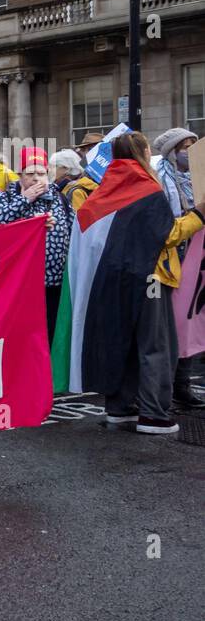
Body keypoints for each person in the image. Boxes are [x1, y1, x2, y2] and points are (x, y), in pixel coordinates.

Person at [84, 132, 205, 434]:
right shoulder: (146, 187)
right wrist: (200, 215)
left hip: (112, 276)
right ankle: (154, 414)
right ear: (142, 152)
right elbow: (167, 234)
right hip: (151, 275)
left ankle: (120, 407)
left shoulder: (105, 186)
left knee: (121, 341)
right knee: (157, 346)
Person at [0, 146, 72, 341]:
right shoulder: (5, 197)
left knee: (51, 334)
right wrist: (25, 202)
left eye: (41, 173)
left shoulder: (59, 199)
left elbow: (74, 227)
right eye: (30, 173)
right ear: (20, 176)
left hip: (55, 284)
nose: (36, 179)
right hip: (21, 284)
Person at [151, 127, 203, 408]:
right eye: (184, 146)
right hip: (172, 258)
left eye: (193, 146)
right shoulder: (161, 180)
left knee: (191, 320)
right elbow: (166, 229)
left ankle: (182, 384)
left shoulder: (197, 179)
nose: (189, 152)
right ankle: (166, 386)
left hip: (196, 259)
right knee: (173, 323)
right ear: (172, 152)